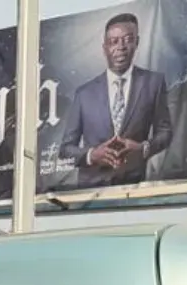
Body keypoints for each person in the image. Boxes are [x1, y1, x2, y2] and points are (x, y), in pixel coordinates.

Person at [58, 12, 173, 190]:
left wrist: (143, 148)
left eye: (127, 40)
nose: (121, 47)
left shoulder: (153, 83)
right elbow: (65, 150)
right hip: (91, 190)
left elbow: (165, 132)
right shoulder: (84, 93)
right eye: (114, 41)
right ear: (104, 48)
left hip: (135, 188)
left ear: (137, 42)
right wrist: (92, 155)